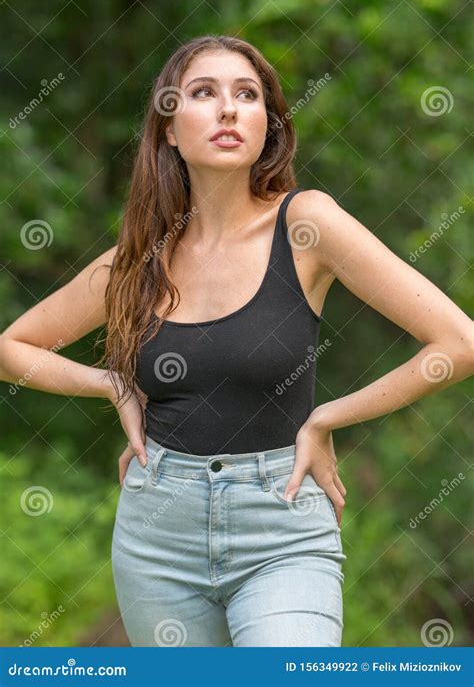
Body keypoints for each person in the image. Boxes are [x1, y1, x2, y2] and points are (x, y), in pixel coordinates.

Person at [1, 35, 472, 648]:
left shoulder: (307, 225)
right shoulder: (138, 260)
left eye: (247, 95)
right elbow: (13, 348)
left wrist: (326, 417)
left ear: (266, 126)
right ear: (169, 129)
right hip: (157, 532)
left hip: (282, 520)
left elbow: (457, 342)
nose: (228, 109)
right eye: (203, 93)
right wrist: (112, 383)